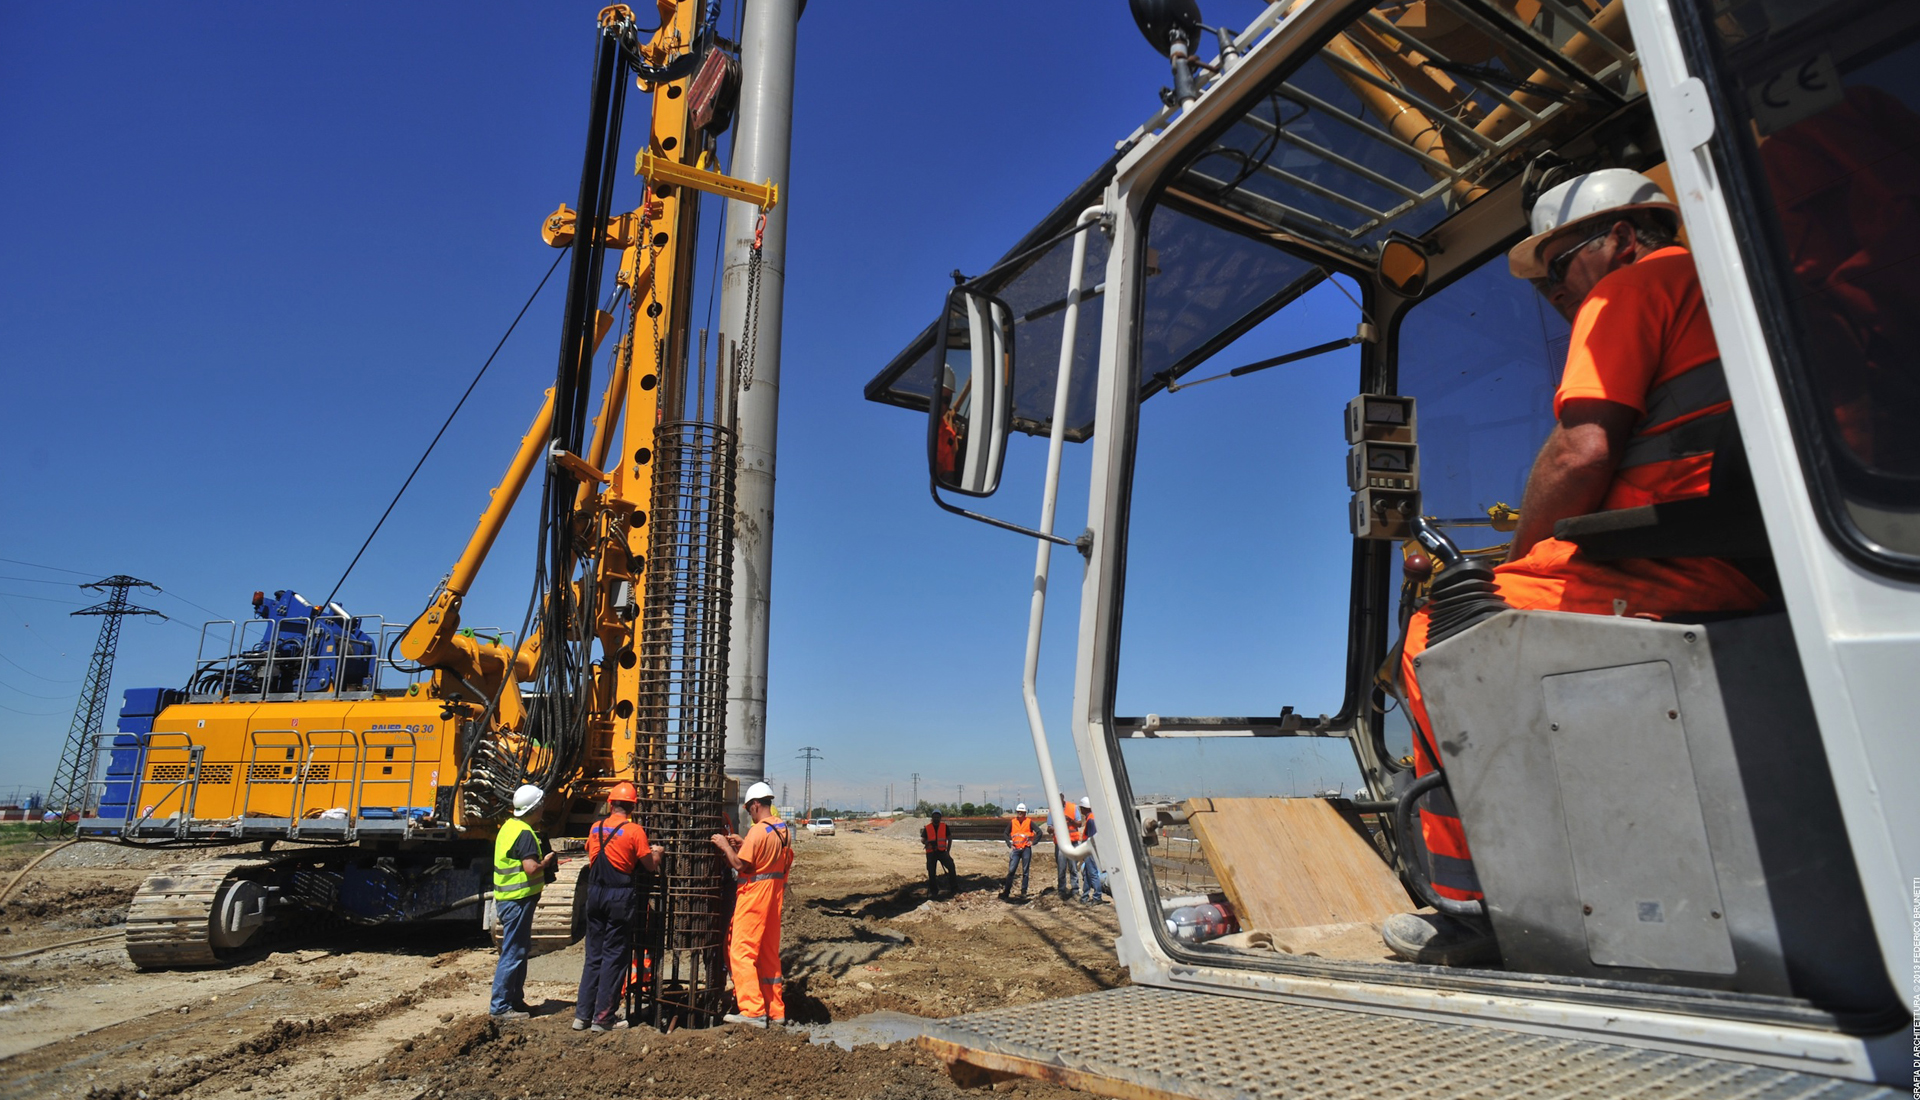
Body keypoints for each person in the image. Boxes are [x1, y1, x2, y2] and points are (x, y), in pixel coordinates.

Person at [1384, 168, 1770, 967]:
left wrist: (1520, 564)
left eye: (1559, 266)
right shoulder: (1745, 283)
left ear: (1623, 237)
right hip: (1743, 556)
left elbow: (1580, 450)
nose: (1554, 291)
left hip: (1678, 557)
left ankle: (1471, 904)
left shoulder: (1639, 286)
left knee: (1441, 633)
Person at [573, 781, 659, 1033]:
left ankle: (582, 1015)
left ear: (610, 803)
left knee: (594, 957)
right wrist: (658, 854)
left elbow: (593, 852)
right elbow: (649, 865)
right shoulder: (634, 831)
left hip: (595, 894)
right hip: (618, 897)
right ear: (633, 806)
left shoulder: (595, 827)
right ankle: (604, 1018)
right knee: (614, 956)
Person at [711, 781, 792, 1026]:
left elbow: (740, 865)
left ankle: (753, 1009)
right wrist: (744, 845)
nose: (749, 813)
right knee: (768, 954)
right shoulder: (781, 828)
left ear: (756, 804)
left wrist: (725, 846)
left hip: (754, 896)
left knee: (741, 951)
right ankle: (775, 1010)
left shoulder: (757, 830)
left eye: (749, 809)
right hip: (773, 897)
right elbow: (767, 858)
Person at [490, 784, 558, 1020]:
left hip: (509, 899)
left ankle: (515, 1000)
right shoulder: (526, 833)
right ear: (535, 808)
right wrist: (546, 863)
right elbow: (530, 868)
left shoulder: (509, 827)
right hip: (518, 900)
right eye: (541, 805)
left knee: (519, 949)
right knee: (513, 952)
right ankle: (500, 1006)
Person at [1000, 803, 1035, 900]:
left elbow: (1039, 832)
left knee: (1025, 872)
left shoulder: (1029, 822)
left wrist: (1033, 842)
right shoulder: (1013, 822)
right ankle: (1006, 892)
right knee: (1011, 871)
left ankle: (1024, 892)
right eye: (1018, 812)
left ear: (1024, 813)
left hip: (1026, 849)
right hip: (1016, 849)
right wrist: (1009, 844)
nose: (1019, 814)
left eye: (1021, 812)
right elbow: (1005, 833)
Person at [1074, 796, 1104, 904]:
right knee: (1086, 873)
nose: (1080, 810)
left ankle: (1097, 897)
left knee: (1092, 873)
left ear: (1084, 808)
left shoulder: (1091, 819)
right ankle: (1085, 896)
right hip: (1089, 850)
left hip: (1090, 850)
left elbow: (1092, 838)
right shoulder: (1092, 817)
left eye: (1081, 808)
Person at [921, 809, 956, 898]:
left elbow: (949, 838)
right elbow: (923, 840)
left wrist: (948, 851)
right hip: (931, 853)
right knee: (931, 872)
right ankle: (934, 891)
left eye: (938, 817)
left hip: (942, 852)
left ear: (940, 818)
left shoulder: (944, 827)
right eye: (934, 817)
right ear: (932, 817)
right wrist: (927, 842)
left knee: (951, 866)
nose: (936, 819)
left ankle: (954, 887)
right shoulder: (927, 827)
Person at [1053, 792, 1080, 899]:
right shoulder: (1053, 810)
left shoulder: (1072, 808)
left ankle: (1075, 889)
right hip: (1060, 844)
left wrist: (1070, 820)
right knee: (1061, 868)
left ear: (1063, 799)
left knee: (1073, 867)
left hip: (1072, 842)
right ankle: (1061, 889)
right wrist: (1053, 828)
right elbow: (1049, 828)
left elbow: (1079, 824)